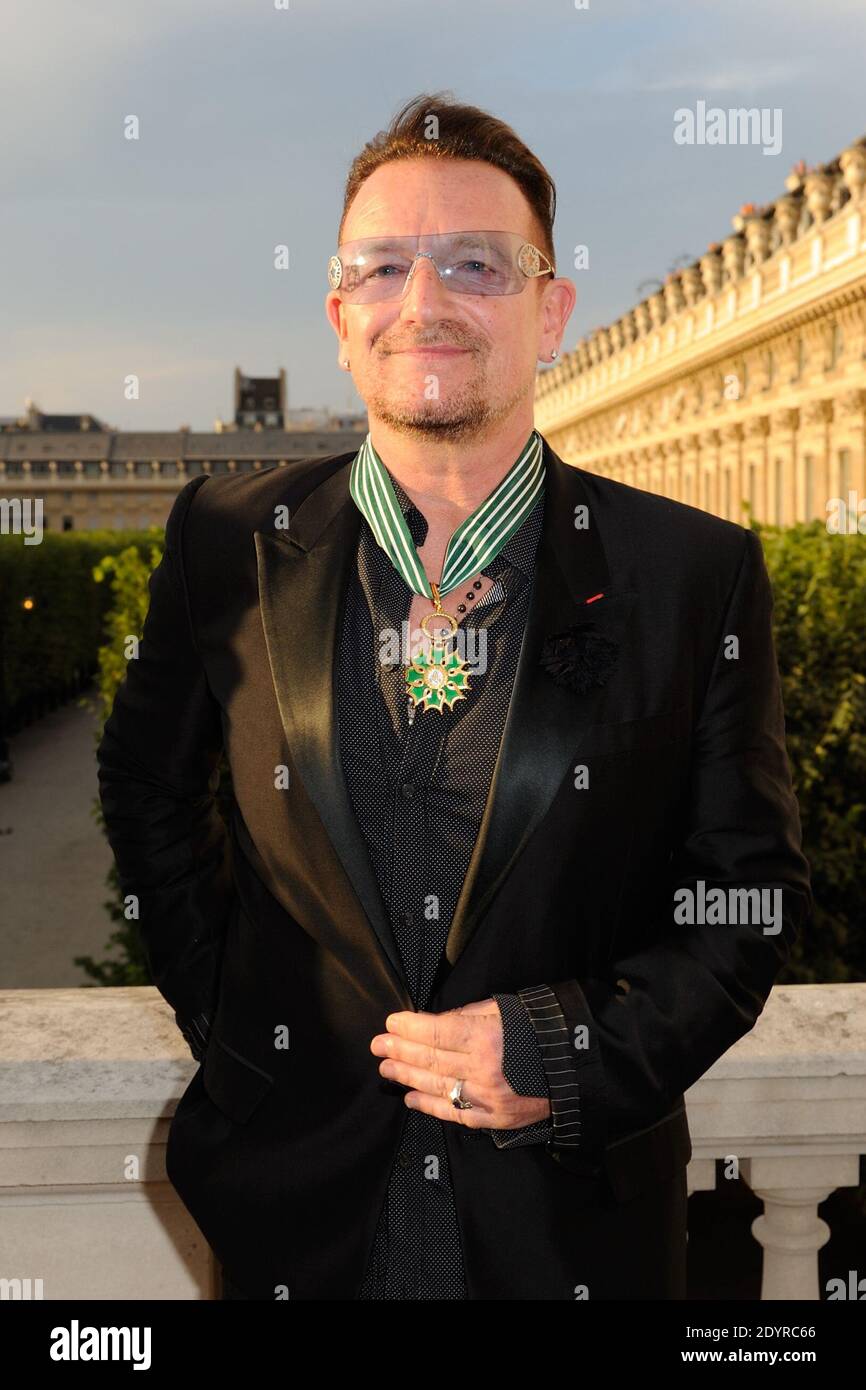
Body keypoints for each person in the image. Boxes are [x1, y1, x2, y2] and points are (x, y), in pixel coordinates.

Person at [96, 92, 812, 1301]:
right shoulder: (226, 540)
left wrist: (568, 1051)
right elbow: (146, 789)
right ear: (339, 317)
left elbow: (745, 892)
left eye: (477, 264)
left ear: (549, 315)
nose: (423, 303)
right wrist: (240, 1020)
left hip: (570, 1234)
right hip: (296, 1224)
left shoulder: (689, 572)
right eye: (383, 267)